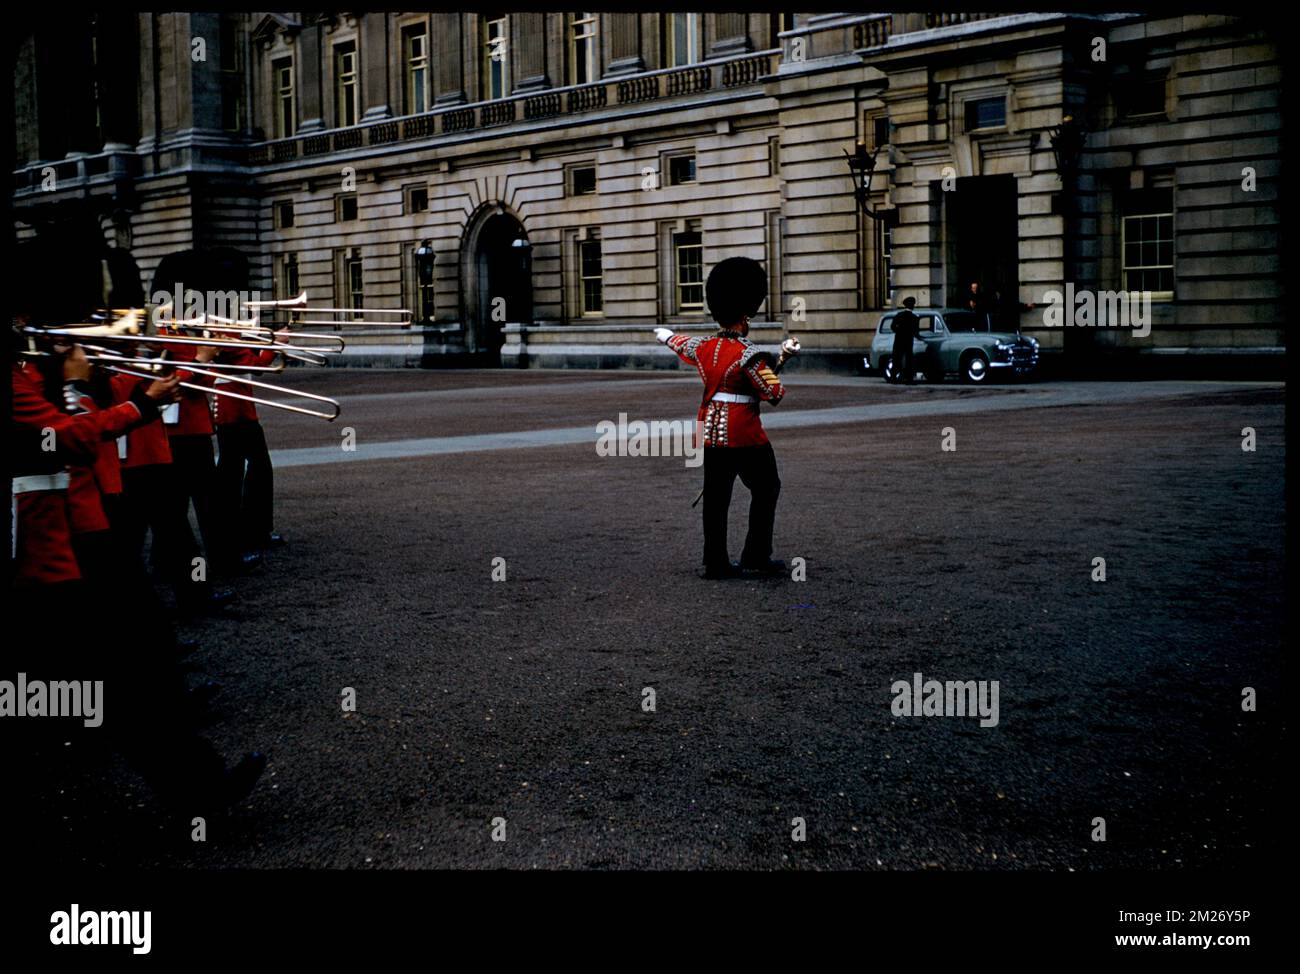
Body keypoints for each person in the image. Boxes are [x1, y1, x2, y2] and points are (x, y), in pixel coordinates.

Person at [653, 256, 800, 579]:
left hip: (713, 433)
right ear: (745, 317)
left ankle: (715, 562)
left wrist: (663, 334)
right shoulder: (749, 354)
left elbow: (678, 342)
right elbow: (773, 393)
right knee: (767, 488)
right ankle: (756, 554)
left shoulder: (704, 346)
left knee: (716, 500)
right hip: (745, 434)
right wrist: (782, 360)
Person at [891, 296, 921, 384]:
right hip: (908, 341)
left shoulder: (899, 315)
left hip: (898, 340)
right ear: (912, 306)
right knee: (909, 360)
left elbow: (892, 327)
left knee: (896, 359)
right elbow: (916, 332)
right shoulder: (914, 318)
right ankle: (909, 379)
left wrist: (899, 332)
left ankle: (894, 378)